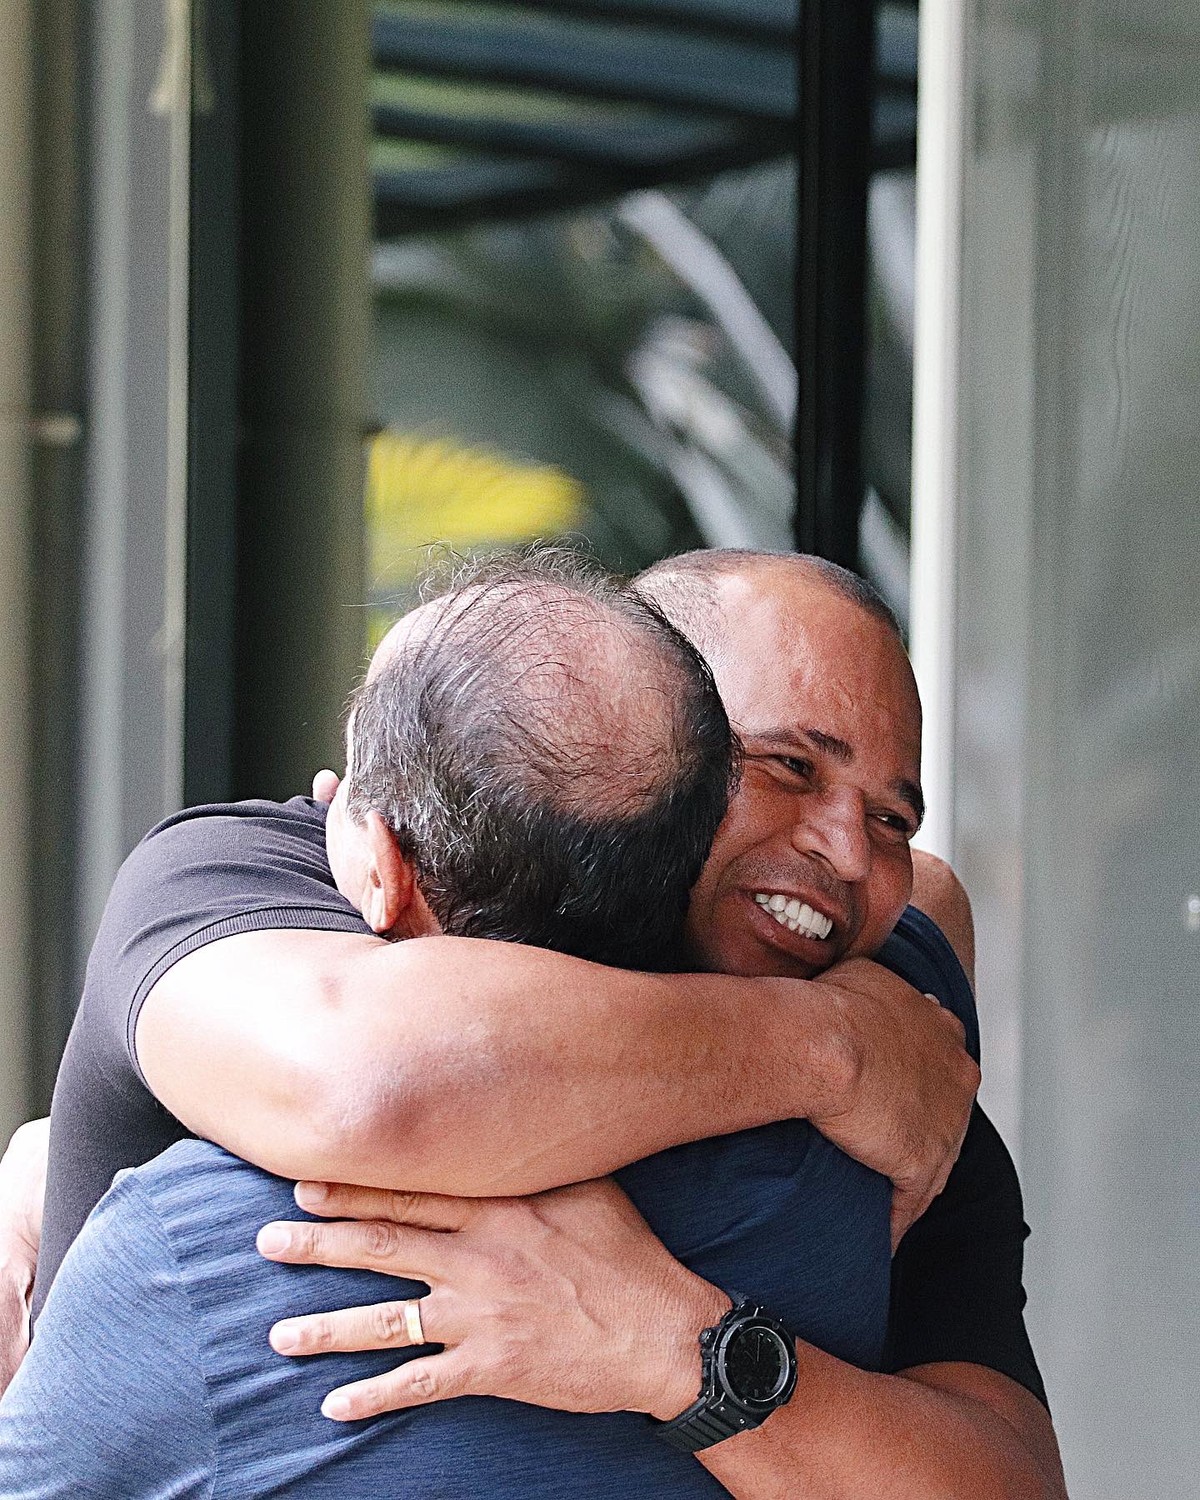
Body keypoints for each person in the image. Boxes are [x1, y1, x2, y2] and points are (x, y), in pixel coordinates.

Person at [0, 549, 1064, 1496]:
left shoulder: (906, 1037)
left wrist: (680, 1347)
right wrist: (831, 1053)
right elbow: (369, 1083)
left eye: (889, 816)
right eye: (788, 765)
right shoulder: (251, 879)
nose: (846, 853)